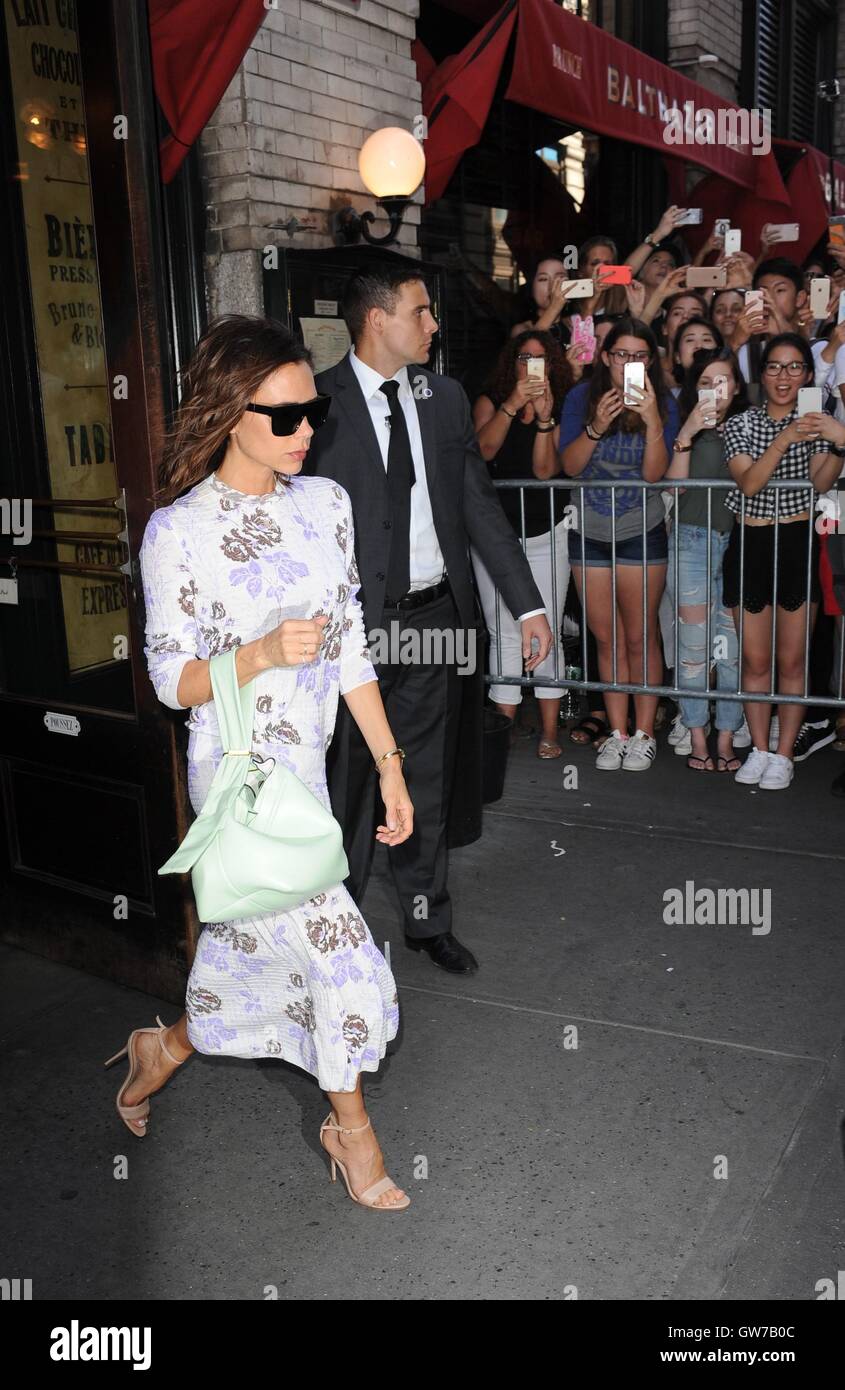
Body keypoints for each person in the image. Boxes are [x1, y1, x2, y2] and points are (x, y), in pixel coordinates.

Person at [120, 315, 414, 1211]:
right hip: (241, 778)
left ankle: (161, 1050)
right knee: (337, 956)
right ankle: (351, 1135)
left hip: (312, 777)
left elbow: (352, 647)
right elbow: (173, 681)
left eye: (310, 412)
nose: (304, 432)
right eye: (282, 417)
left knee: (247, 966)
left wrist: (390, 763)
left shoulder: (325, 506)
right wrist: (255, 653)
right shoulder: (179, 531)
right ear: (226, 414)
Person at [308, 266, 552, 975]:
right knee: (346, 781)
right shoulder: (317, 402)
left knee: (425, 780)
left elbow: (478, 507)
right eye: (421, 311)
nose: (434, 324)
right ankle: (338, 935)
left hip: (436, 618)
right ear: (378, 320)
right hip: (351, 629)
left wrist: (527, 604)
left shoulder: (443, 399)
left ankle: (424, 919)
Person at [722, 332, 845, 788]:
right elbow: (749, 484)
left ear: (808, 375)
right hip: (751, 543)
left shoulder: (815, 421)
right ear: (762, 373)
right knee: (755, 661)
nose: (784, 376)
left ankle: (784, 755)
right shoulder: (741, 422)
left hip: (797, 541)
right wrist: (785, 436)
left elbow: (820, 483)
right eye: (774, 366)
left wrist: (837, 444)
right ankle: (757, 747)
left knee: (793, 661)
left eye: (795, 367)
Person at [561, 316, 679, 770]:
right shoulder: (580, 397)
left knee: (641, 634)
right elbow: (569, 466)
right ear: (606, 358)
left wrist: (651, 420)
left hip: (641, 531)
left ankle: (645, 732)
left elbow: (654, 475)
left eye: (640, 355)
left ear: (651, 360)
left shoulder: (662, 401)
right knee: (606, 637)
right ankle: (617, 732)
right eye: (621, 355)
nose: (630, 363)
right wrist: (594, 426)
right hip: (588, 532)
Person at [472, 330, 573, 757]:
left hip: (547, 531)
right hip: (494, 535)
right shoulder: (490, 402)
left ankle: (550, 731)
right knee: (504, 634)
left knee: (545, 632)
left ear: (552, 366)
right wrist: (514, 404)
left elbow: (546, 471)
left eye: (541, 358)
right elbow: (484, 450)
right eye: (524, 357)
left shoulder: (564, 406)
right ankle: (503, 731)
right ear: (510, 364)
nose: (532, 365)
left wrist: (546, 419)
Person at [665, 348, 748, 771]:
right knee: (693, 649)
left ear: (736, 386)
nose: (716, 389)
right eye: (706, 382)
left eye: (723, 380)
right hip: (691, 541)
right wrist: (688, 430)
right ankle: (697, 735)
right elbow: (676, 488)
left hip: (738, 543)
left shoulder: (747, 427)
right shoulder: (686, 426)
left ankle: (728, 737)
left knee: (731, 651)